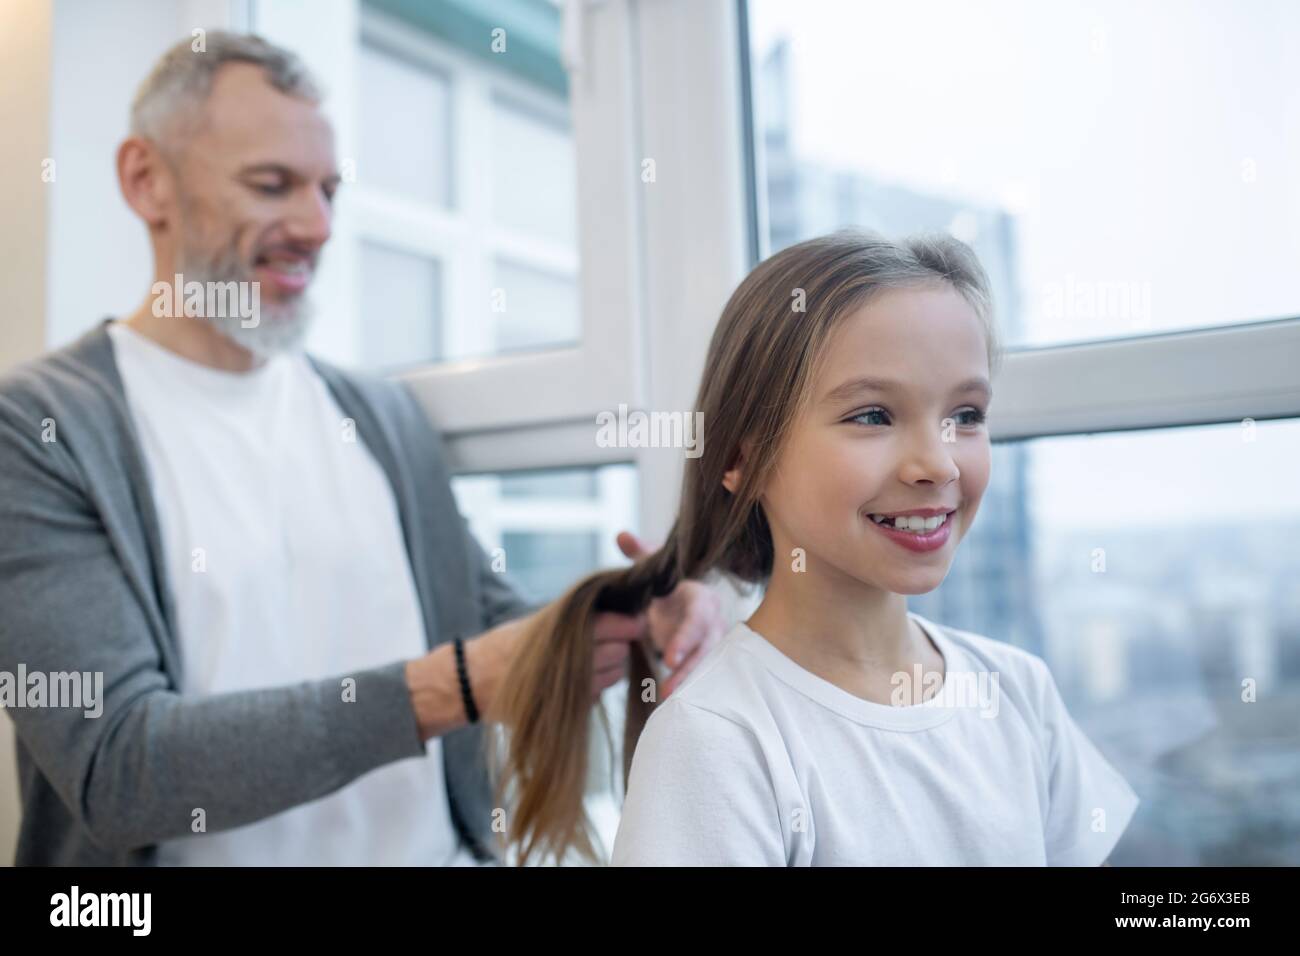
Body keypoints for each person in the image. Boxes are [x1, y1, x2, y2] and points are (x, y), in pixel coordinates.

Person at [0, 31, 724, 866]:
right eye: (273, 185)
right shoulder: (39, 430)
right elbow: (119, 768)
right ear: (146, 180)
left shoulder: (379, 416)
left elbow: (490, 625)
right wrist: (447, 687)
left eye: (330, 191)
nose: (317, 226)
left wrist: (627, 620)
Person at [498, 231, 1140, 866]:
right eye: (873, 416)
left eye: (965, 415)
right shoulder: (720, 739)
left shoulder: (1017, 690)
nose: (939, 464)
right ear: (742, 460)